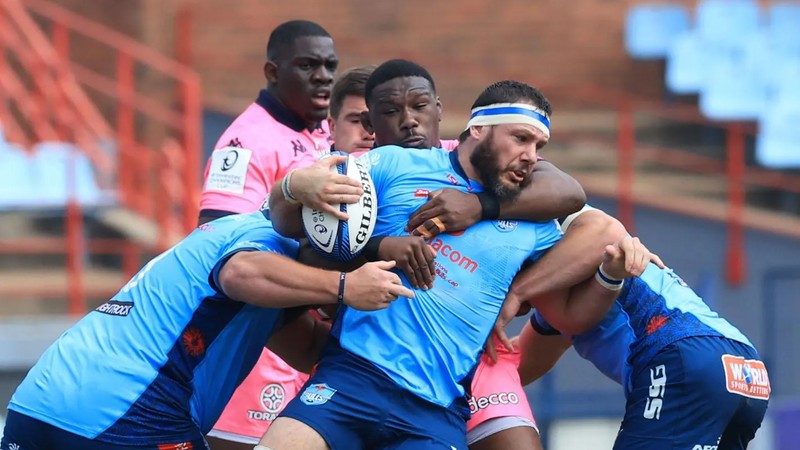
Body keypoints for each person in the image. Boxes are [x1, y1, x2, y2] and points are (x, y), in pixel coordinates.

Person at [259, 80, 655, 450]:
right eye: (520, 138)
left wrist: (605, 277)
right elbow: (301, 233)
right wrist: (373, 242)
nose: (531, 157)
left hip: (436, 408)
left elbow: (589, 265)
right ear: (478, 129)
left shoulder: (533, 220)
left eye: (539, 146)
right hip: (352, 377)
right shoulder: (396, 164)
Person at [0, 206, 414, 450]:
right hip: (127, 411)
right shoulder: (266, 242)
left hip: (39, 399)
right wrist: (344, 288)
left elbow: (307, 347)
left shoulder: (239, 235)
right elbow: (240, 273)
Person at [357, 59, 595, 450]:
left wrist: (479, 206)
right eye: (389, 111)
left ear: (440, 111)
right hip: (365, 354)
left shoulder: (485, 164)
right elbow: (305, 242)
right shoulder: (365, 169)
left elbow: (574, 197)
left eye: (419, 107)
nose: (409, 122)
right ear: (368, 125)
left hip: (471, 360)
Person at [515, 206, 770, 450]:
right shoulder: (562, 305)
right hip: (744, 366)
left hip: (684, 353)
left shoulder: (553, 235)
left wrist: (515, 293)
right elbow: (517, 365)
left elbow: (604, 229)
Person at [198, 20, 338, 449]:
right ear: (272, 72)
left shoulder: (322, 132)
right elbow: (218, 242)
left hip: (309, 339)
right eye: (308, 65)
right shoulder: (247, 141)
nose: (323, 76)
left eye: (330, 66)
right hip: (262, 345)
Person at [327, 65, 376, 155]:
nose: (369, 135)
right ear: (332, 127)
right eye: (356, 121)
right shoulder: (304, 168)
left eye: (378, 122)